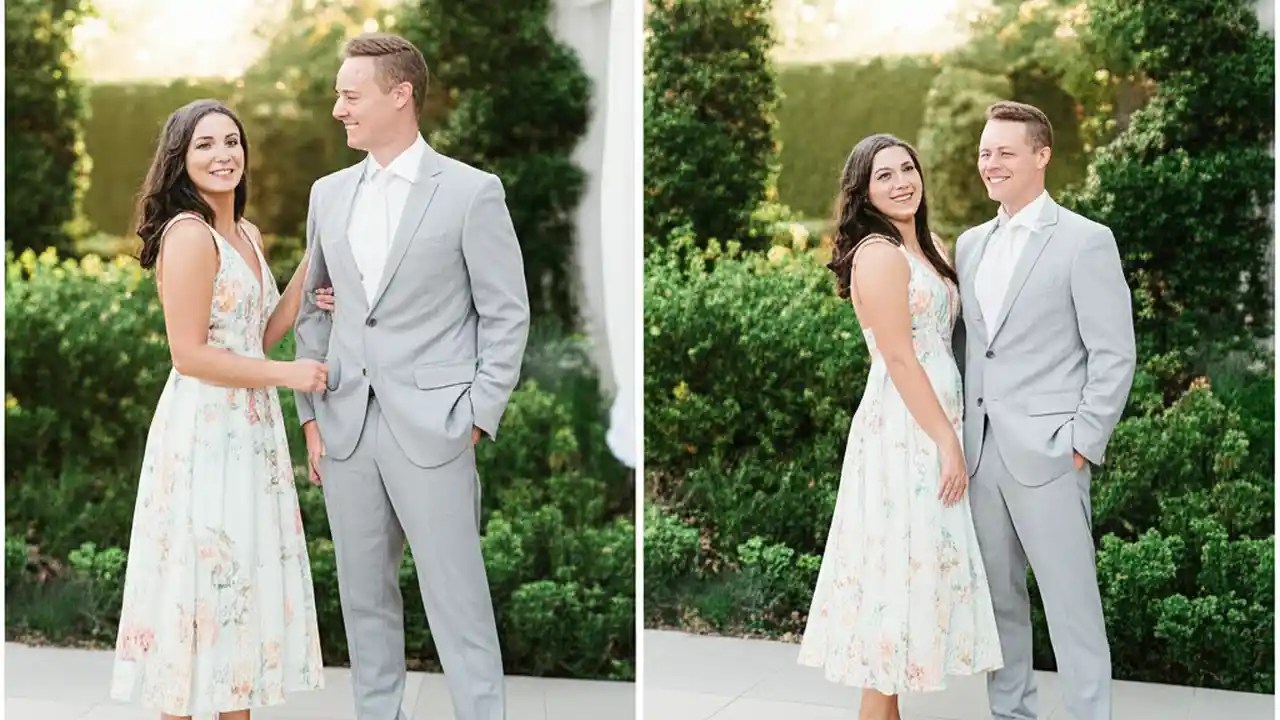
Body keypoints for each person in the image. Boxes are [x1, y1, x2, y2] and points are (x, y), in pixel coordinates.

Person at [293, 33, 530, 720]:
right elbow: (316, 310)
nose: (338, 108)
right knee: (364, 600)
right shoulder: (329, 195)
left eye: (350, 94)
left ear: (400, 95)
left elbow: (507, 313)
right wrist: (311, 419)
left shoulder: (470, 191)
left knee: (458, 600)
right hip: (345, 429)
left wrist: (478, 415)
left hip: (436, 429)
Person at [110, 99, 337, 719]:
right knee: (202, 588)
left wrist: (312, 280)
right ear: (181, 159)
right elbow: (190, 354)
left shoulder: (248, 234)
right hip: (206, 432)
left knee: (237, 593)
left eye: (231, 141)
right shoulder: (188, 234)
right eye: (204, 144)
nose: (222, 155)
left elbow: (253, 336)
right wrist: (290, 376)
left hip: (249, 431)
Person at [797, 133, 1003, 720]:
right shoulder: (878, 252)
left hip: (937, 415)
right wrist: (946, 442)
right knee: (892, 591)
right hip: (906, 430)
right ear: (863, 191)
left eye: (907, 169)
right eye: (884, 175)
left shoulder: (931, 246)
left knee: (909, 592)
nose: (901, 181)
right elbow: (899, 357)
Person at [954, 100, 1135, 720]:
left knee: (1072, 606)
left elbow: (1114, 354)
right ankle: (1011, 714)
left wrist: (1083, 442)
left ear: (1041, 155)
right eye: (984, 151)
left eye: (1005, 151)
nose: (991, 163)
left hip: (1053, 455)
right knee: (999, 604)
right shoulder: (970, 244)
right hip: (981, 455)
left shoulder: (1086, 241)